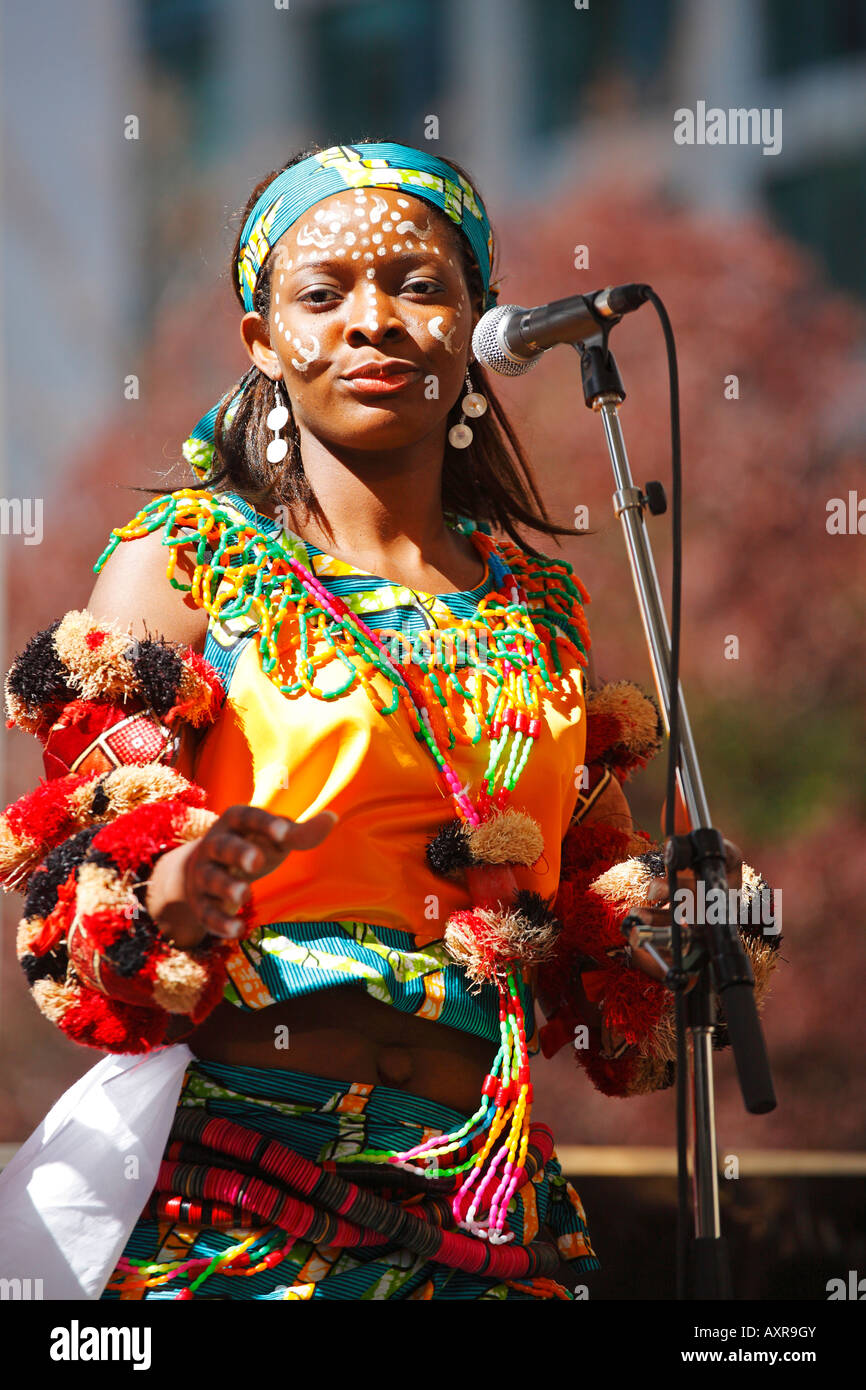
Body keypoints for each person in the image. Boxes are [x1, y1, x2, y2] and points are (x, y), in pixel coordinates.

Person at [0, 140, 779, 1301]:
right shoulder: (187, 562)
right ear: (264, 340)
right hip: (239, 1194)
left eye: (419, 286)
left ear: (471, 325)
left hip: (483, 1197)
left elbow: (579, 939)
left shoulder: (533, 615)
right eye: (322, 296)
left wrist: (684, 918)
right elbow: (76, 897)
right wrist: (171, 890)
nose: (373, 321)